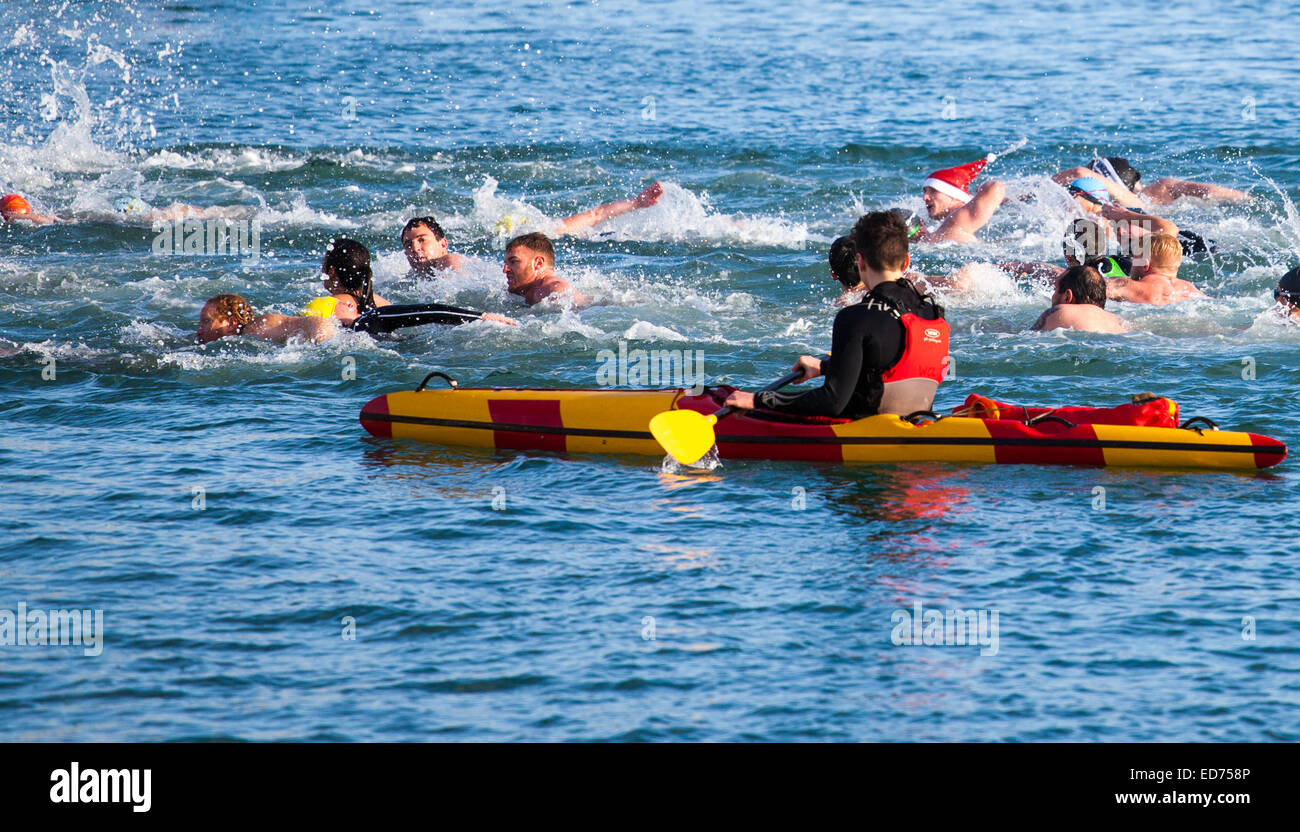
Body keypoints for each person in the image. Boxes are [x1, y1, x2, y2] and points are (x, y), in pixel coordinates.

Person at [724, 211, 949, 418]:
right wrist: (825, 368)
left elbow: (831, 402)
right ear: (906, 261)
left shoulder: (855, 317)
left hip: (867, 432)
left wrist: (758, 399)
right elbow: (889, 365)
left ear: (860, 262)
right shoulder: (932, 313)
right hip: (920, 421)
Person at [402, 182, 665, 275]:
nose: (415, 249)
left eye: (422, 240)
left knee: (603, 231)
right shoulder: (417, 275)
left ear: (444, 243)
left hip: (597, 241)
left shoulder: (451, 264)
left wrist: (636, 203)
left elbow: (594, 215)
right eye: (409, 245)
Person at [1055, 157, 1251, 207]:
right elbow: (1208, 190)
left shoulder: (1106, 211)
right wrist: (1249, 199)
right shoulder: (1157, 191)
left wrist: (1031, 191)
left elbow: (1080, 172)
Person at [918, 157, 1006, 243]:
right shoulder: (949, 222)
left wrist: (927, 238)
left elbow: (995, 187)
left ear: (953, 195)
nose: (925, 197)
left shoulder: (956, 219)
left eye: (933, 191)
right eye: (925, 192)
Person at [198, 293, 335, 344]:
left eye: (206, 322)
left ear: (231, 323)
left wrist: (322, 344)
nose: (199, 331)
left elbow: (317, 322)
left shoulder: (258, 328)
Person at [1105, 233, 1204, 304]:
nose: (1131, 260)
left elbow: (1093, 289)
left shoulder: (1127, 285)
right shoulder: (1192, 290)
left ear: (1145, 264)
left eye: (1135, 256)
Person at [1031, 266, 1128, 334]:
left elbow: (1025, 337)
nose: (1053, 295)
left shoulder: (1059, 312)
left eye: (1055, 289)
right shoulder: (1116, 321)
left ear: (1068, 296)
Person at [503, 232, 589, 306]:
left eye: (513, 262)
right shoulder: (529, 290)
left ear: (538, 263)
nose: (505, 269)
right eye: (506, 263)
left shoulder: (556, 289)